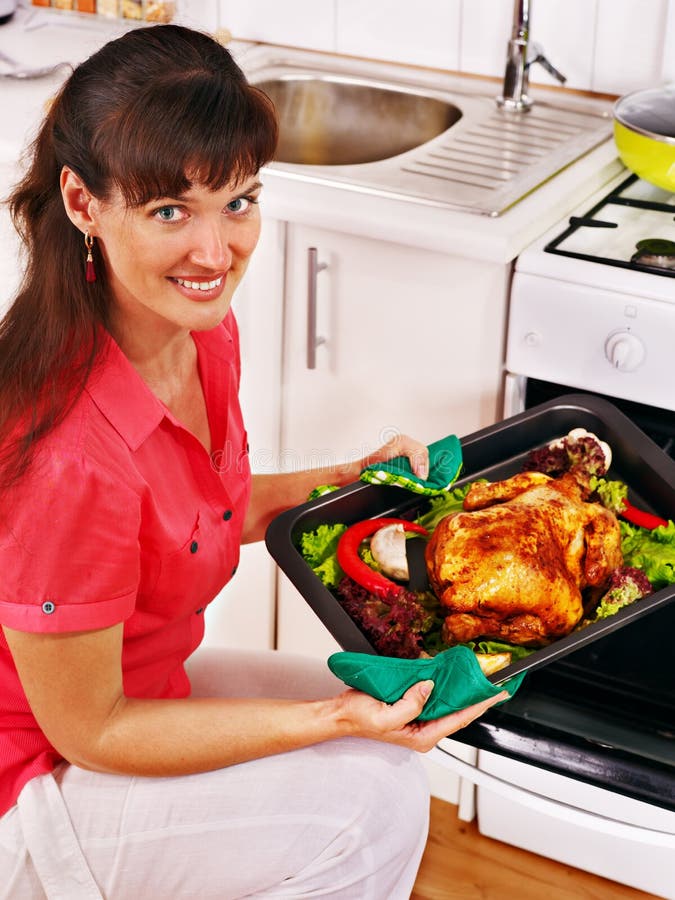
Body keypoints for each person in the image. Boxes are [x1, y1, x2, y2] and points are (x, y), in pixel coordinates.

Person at [0, 24, 507, 899]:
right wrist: (320, 718)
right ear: (83, 203)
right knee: (368, 795)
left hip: (143, 675)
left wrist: (355, 482)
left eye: (237, 201)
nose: (215, 252)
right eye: (169, 211)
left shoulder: (196, 337)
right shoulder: (68, 457)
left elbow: (198, 518)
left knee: (388, 715)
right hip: (34, 775)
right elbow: (92, 730)